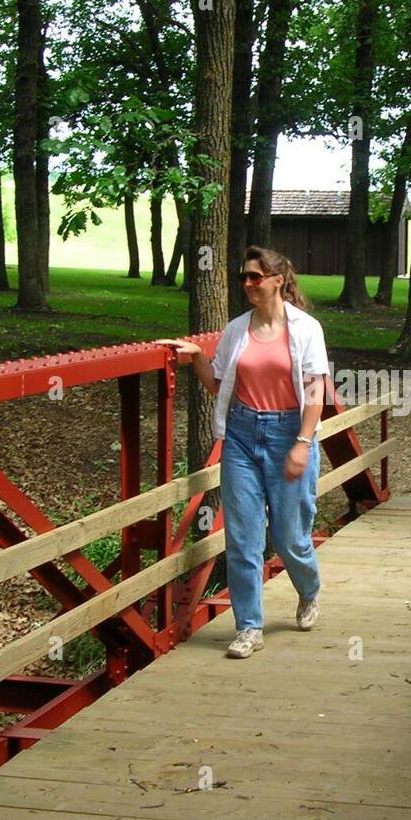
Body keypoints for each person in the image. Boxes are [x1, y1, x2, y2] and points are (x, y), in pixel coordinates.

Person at [155, 246, 329, 659]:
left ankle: (309, 591)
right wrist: (198, 356)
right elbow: (220, 385)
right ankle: (249, 627)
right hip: (242, 437)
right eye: (243, 277)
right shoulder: (236, 329)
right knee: (243, 539)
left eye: (255, 276)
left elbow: (315, 390)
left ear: (277, 280)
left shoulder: (306, 328)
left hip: (291, 432)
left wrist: (303, 444)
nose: (247, 283)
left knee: (290, 538)